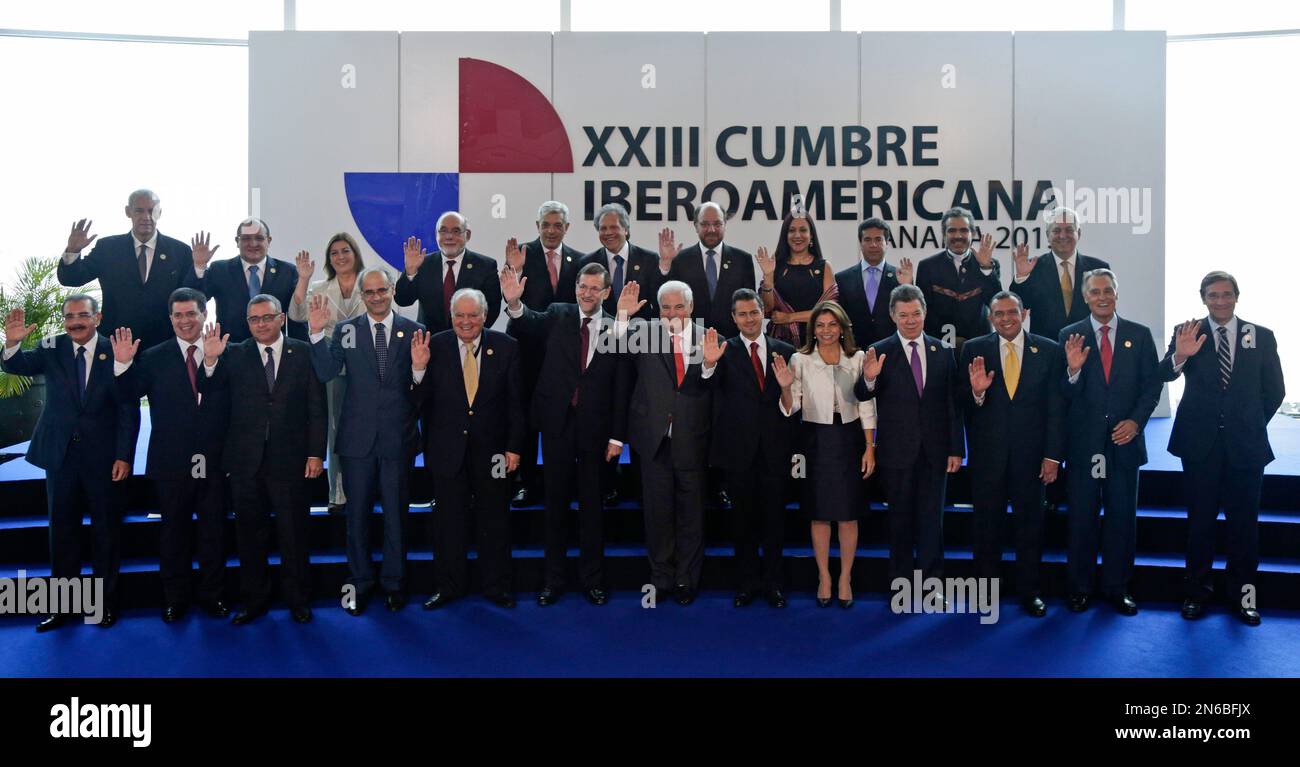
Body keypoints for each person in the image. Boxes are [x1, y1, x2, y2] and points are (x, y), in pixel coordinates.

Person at [3, 297, 139, 631]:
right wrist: (12, 343)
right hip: (60, 456)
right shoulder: (52, 347)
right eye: (69, 316)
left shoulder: (117, 349)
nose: (75, 321)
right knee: (61, 533)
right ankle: (63, 608)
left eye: (83, 315)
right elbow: (16, 366)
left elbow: (127, 408)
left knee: (106, 533)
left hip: (105, 459)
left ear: (98, 317)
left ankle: (104, 606)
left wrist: (123, 455)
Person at [1161, 272, 1285, 625]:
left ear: (1236, 296)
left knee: (1244, 527)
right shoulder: (1187, 331)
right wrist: (1179, 357)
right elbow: (1163, 375)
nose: (1220, 300)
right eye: (1212, 295)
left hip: (1245, 447)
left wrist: (1248, 422)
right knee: (1200, 524)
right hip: (1200, 446)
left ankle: (1243, 598)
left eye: (1226, 294)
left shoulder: (1261, 335)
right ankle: (1195, 595)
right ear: (1203, 298)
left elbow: (1274, 389)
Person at [502, 263, 628, 606]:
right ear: (576, 288)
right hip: (556, 424)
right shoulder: (558, 314)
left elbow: (621, 385)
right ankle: (552, 580)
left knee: (592, 507)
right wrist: (514, 304)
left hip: (596, 429)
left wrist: (617, 436)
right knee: (554, 506)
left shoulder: (619, 327)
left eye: (594, 289)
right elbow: (527, 321)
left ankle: (593, 581)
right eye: (582, 287)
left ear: (605, 293)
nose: (587, 294)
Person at [197, 295, 326, 624]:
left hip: (292, 459)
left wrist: (315, 453)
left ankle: (298, 600)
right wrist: (209, 362)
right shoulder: (234, 354)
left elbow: (316, 407)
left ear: (281, 318)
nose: (261, 324)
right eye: (254, 319)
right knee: (249, 534)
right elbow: (209, 392)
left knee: (293, 534)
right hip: (244, 462)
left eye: (266, 317)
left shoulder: (304, 352)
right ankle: (254, 600)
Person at [309, 268, 425, 615]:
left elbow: (423, 391)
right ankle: (359, 584)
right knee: (355, 517)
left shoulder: (415, 332)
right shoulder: (347, 331)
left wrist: (419, 371)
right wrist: (315, 333)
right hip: (356, 440)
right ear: (361, 295)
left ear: (392, 290)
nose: (375, 296)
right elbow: (327, 372)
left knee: (396, 516)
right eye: (369, 292)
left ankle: (395, 584)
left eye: (381, 290)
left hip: (397, 439)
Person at [111, 288, 230, 622]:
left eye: (191, 313)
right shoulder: (152, 356)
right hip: (170, 461)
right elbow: (126, 395)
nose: (185, 321)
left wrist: (211, 361)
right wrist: (122, 366)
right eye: (178, 315)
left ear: (204, 315)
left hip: (215, 459)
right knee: (173, 533)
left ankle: (213, 595)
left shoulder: (224, 351)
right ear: (170, 319)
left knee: (213, 532)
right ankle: (174, 599)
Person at [1058, 269, 1161, 616]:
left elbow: (1151, 387)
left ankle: (1117, 588)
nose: (1102, 297)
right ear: (1085, 297)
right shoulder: (1070, 335)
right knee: (1082, 519)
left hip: (1124, 443)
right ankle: (1079, 588)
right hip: (1085, 445)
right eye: (1095, 292)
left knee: (1121, 519)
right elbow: (1062, 395)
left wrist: (1136, 422)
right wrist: (1072, 371)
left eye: (1108, 291)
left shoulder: (1139, 335)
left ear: (1117, 294)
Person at [417, 289, 524, 610]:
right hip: (447, 452)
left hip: (493, 454)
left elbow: (517, 405)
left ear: (485, 316)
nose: (466, 322)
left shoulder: (507, 347)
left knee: (495, 521)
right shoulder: (434, 347)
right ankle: (448, 587)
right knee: (448, 522)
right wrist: (418, 370)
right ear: (451, 317)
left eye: (472, 315)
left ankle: (496, 587)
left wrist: (514, 448)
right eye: (459, 315)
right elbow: (418, 403)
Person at [959, 291, 1065, 617]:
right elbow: (960, 404)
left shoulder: (1048, 350)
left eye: (1012, 312)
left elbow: (1056, 408)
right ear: (990, 318)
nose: (1006, 319)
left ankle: (1029, 592)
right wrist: (976, 392)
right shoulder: (973, 349)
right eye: (999, 314)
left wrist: (1052, 456)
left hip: (1032, 460)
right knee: (985, 528)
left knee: (1029, 528)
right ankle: (985, 594)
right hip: (987, 458)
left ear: (1024, 313)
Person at [855, 284, 964, 591]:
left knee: (933, 523)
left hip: (935, 452)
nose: (911, 320)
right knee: (899, 521)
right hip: (896, 453)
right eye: (903, 315)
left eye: (916, 313)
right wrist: (869, 377)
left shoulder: (942, 351)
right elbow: (862, 394)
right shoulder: (879, 350)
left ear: (925, 312)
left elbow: (952, 405)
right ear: (893, 316)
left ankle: (932, 586)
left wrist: (956, 449)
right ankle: (901, 586)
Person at [616, 279, 712, 604]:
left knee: (691, 515)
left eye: (679, 307)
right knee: (657, 514)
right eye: (666, 307)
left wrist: (711, 365)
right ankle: (661, 578)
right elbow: (614, 346)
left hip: (693, 440)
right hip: (653, 440)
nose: (672, 314)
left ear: (691, 307)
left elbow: (717, 386)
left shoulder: (709, 339)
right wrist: (622, 318)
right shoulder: (644, 335)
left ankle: (687, 579)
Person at [774, 300, 873, 608]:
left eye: (832, 325)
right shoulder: (801, 360)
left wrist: (870, 446)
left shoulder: (857, 358)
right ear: (812, 330)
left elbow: (867, 404)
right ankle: (824, 577)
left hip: (850, 440)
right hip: (814, 441)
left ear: (842, 328)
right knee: (819, 513)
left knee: (847, 514)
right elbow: (792, 408)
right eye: (820, 325)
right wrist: (786, 388)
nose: (826, 331)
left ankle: (844, 577)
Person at [702, 289, 797, 608]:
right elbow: (704, 392)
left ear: (763, 313)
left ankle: (774, 585)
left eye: (754, 312)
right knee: (741, 522)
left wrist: (786, 389)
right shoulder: (722, 351)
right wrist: (707, 365)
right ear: (733, 318)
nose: (749, 319)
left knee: (774, 522)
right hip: (737, 451)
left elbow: (791, 408)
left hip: (774, 451)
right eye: (742, 314)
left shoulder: (785, 351)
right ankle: (745, 585)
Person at [502, 201, 587, 506]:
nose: (551, 230)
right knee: (523, 415)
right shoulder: (521, 255)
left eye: (557, 225)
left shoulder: (580, 260)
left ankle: (566, 480)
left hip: (564, 359)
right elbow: (511, 297)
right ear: (537, 226)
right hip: (525, 352)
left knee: (565, 419)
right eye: (546, 224)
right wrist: (515, 268)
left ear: (567, 227)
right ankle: (524, 481)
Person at [288, 232, 368, 512]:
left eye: (345, 251)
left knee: (366, 427)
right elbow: (297, 314)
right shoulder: (321, 288)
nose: (341, 257)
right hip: (331, 366)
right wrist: (304, 279)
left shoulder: (371, 284)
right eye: (334, 253)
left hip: (367, 365)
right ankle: (338, 494)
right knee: (335, 429)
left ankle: (366, 490)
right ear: (329, 259)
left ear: (355, 254)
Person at [57, 189, 195, 350]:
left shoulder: (180, 251)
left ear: (160, 213)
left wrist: (200, 267)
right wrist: (72, 251)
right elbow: (72, 278)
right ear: (128, 212)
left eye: (152, 211)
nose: (146, 217)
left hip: (164, 345)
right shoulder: (108, 248)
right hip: (115, 343)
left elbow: (192, 296)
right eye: (139, 211)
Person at [188, 217, 305, 342]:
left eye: (259, 238)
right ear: (237, 241)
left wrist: (300, 350)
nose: (253, 243)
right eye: (246, 238)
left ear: (269, 240)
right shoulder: (219, 270)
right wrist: (200, 266)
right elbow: (194, 301)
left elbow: (296, 317)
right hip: (231, 350)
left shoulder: (287, 271)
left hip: (274, 352)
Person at [657, 202, 760, 340]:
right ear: (696, 226)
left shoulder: (742, 260)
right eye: (705, 224)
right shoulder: (681, 260)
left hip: (732, 342)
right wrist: (665, 265)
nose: (711, 229)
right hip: (691, 341)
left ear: (725, 225)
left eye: (717, 224)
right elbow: (666, 299)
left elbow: (748, 304)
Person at [1009, 206, 1107, 344]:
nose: (1062, 235)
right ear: (1047, 235)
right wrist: (1022, 277)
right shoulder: (1033, 267)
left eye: (1069, 230)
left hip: (1088, 349)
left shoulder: (1098, 268)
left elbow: (1106, 310)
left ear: (1078, 233)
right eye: (1056, 230)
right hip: (1045, 352)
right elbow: (1018, 307)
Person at [394, 211, 501, 333]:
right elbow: (403, 300)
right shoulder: (423, 264)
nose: (449, 236)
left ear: (468, 235)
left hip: (469, 343)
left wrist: (471, 334)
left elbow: (492, 309)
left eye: (456, 231)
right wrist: (410, 272)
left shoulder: (486, 266)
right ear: (436, 234)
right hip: (430, 344)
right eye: (443, 231)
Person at [914, 206, 1000, 348]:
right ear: (944, 234)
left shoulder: (989, 264)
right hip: (938, 345)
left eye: (964, 230)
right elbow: (923, 309)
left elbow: (995, 302)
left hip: (979, 344)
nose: (958, 236)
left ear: (972, 233)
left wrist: (986, 268)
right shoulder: (927, 266)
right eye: (952, 230)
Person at [756, 206, 837, 347]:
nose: (797, 235)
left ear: (811, 235)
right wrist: (768, 276)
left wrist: (789, 317)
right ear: (785, 236)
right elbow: (767, 309)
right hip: (780, 343)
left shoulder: (824, 267)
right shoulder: (776, 266)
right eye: (792, 230)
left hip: (819, 342)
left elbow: (829, 311)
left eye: (803, 230)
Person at [835, 217, 913, 349]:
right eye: (867, 240)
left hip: (892, 351)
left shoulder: (900, 277)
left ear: (887, 243)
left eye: (878, 239)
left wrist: (907, 285)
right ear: (860, 243)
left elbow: (910, 312)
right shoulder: (843, 279)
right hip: (853, 351)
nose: (873, 245)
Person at [579, 203, 662, 321]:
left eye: (613, 227)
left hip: (640, 332)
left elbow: (658, 303)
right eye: (603, 228)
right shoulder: (587, 262)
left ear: (626, 230)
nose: (608, 233)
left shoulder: (649, 259)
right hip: (601, 332)